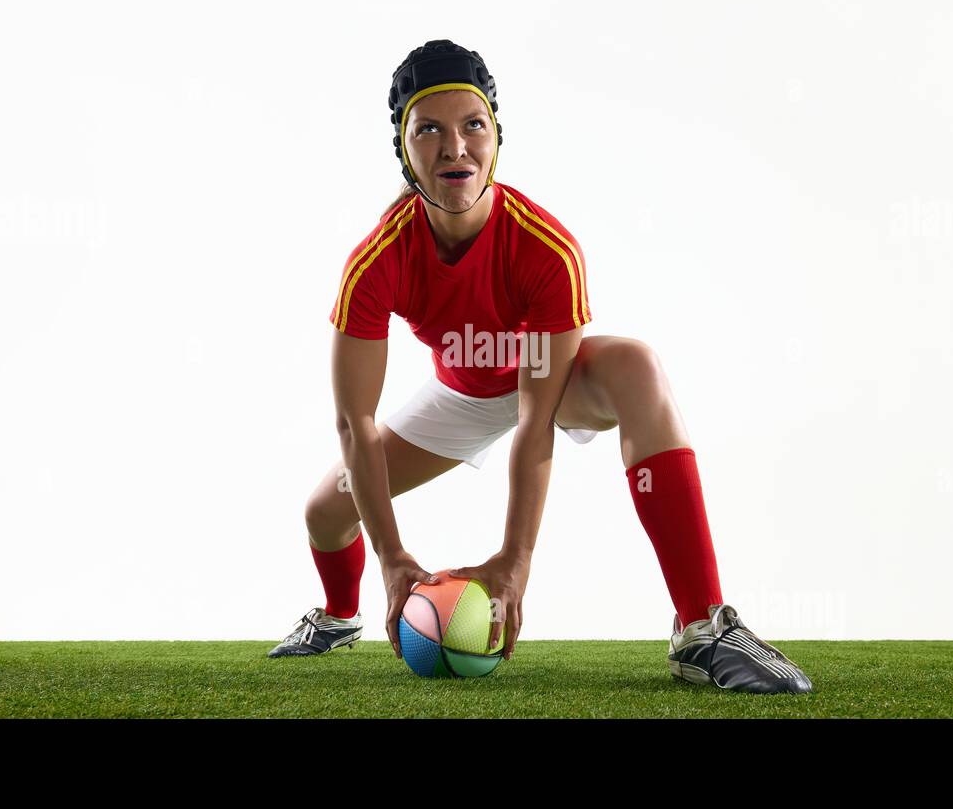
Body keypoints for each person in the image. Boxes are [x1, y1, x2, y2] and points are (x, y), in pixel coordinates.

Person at [268, 40, 812, 694]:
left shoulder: (544, 247)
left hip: (541, 381)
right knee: (324, 512)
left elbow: (534, 419)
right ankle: (336, 616)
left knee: (637, 365)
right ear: (402, 148)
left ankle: (702, 628)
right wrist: (391, 560)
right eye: (429, 130)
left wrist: (514, 561)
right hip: (458, 390)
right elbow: (355, 423)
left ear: (497, 134)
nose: (455, 147)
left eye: (473, 125)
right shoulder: (376, 261)